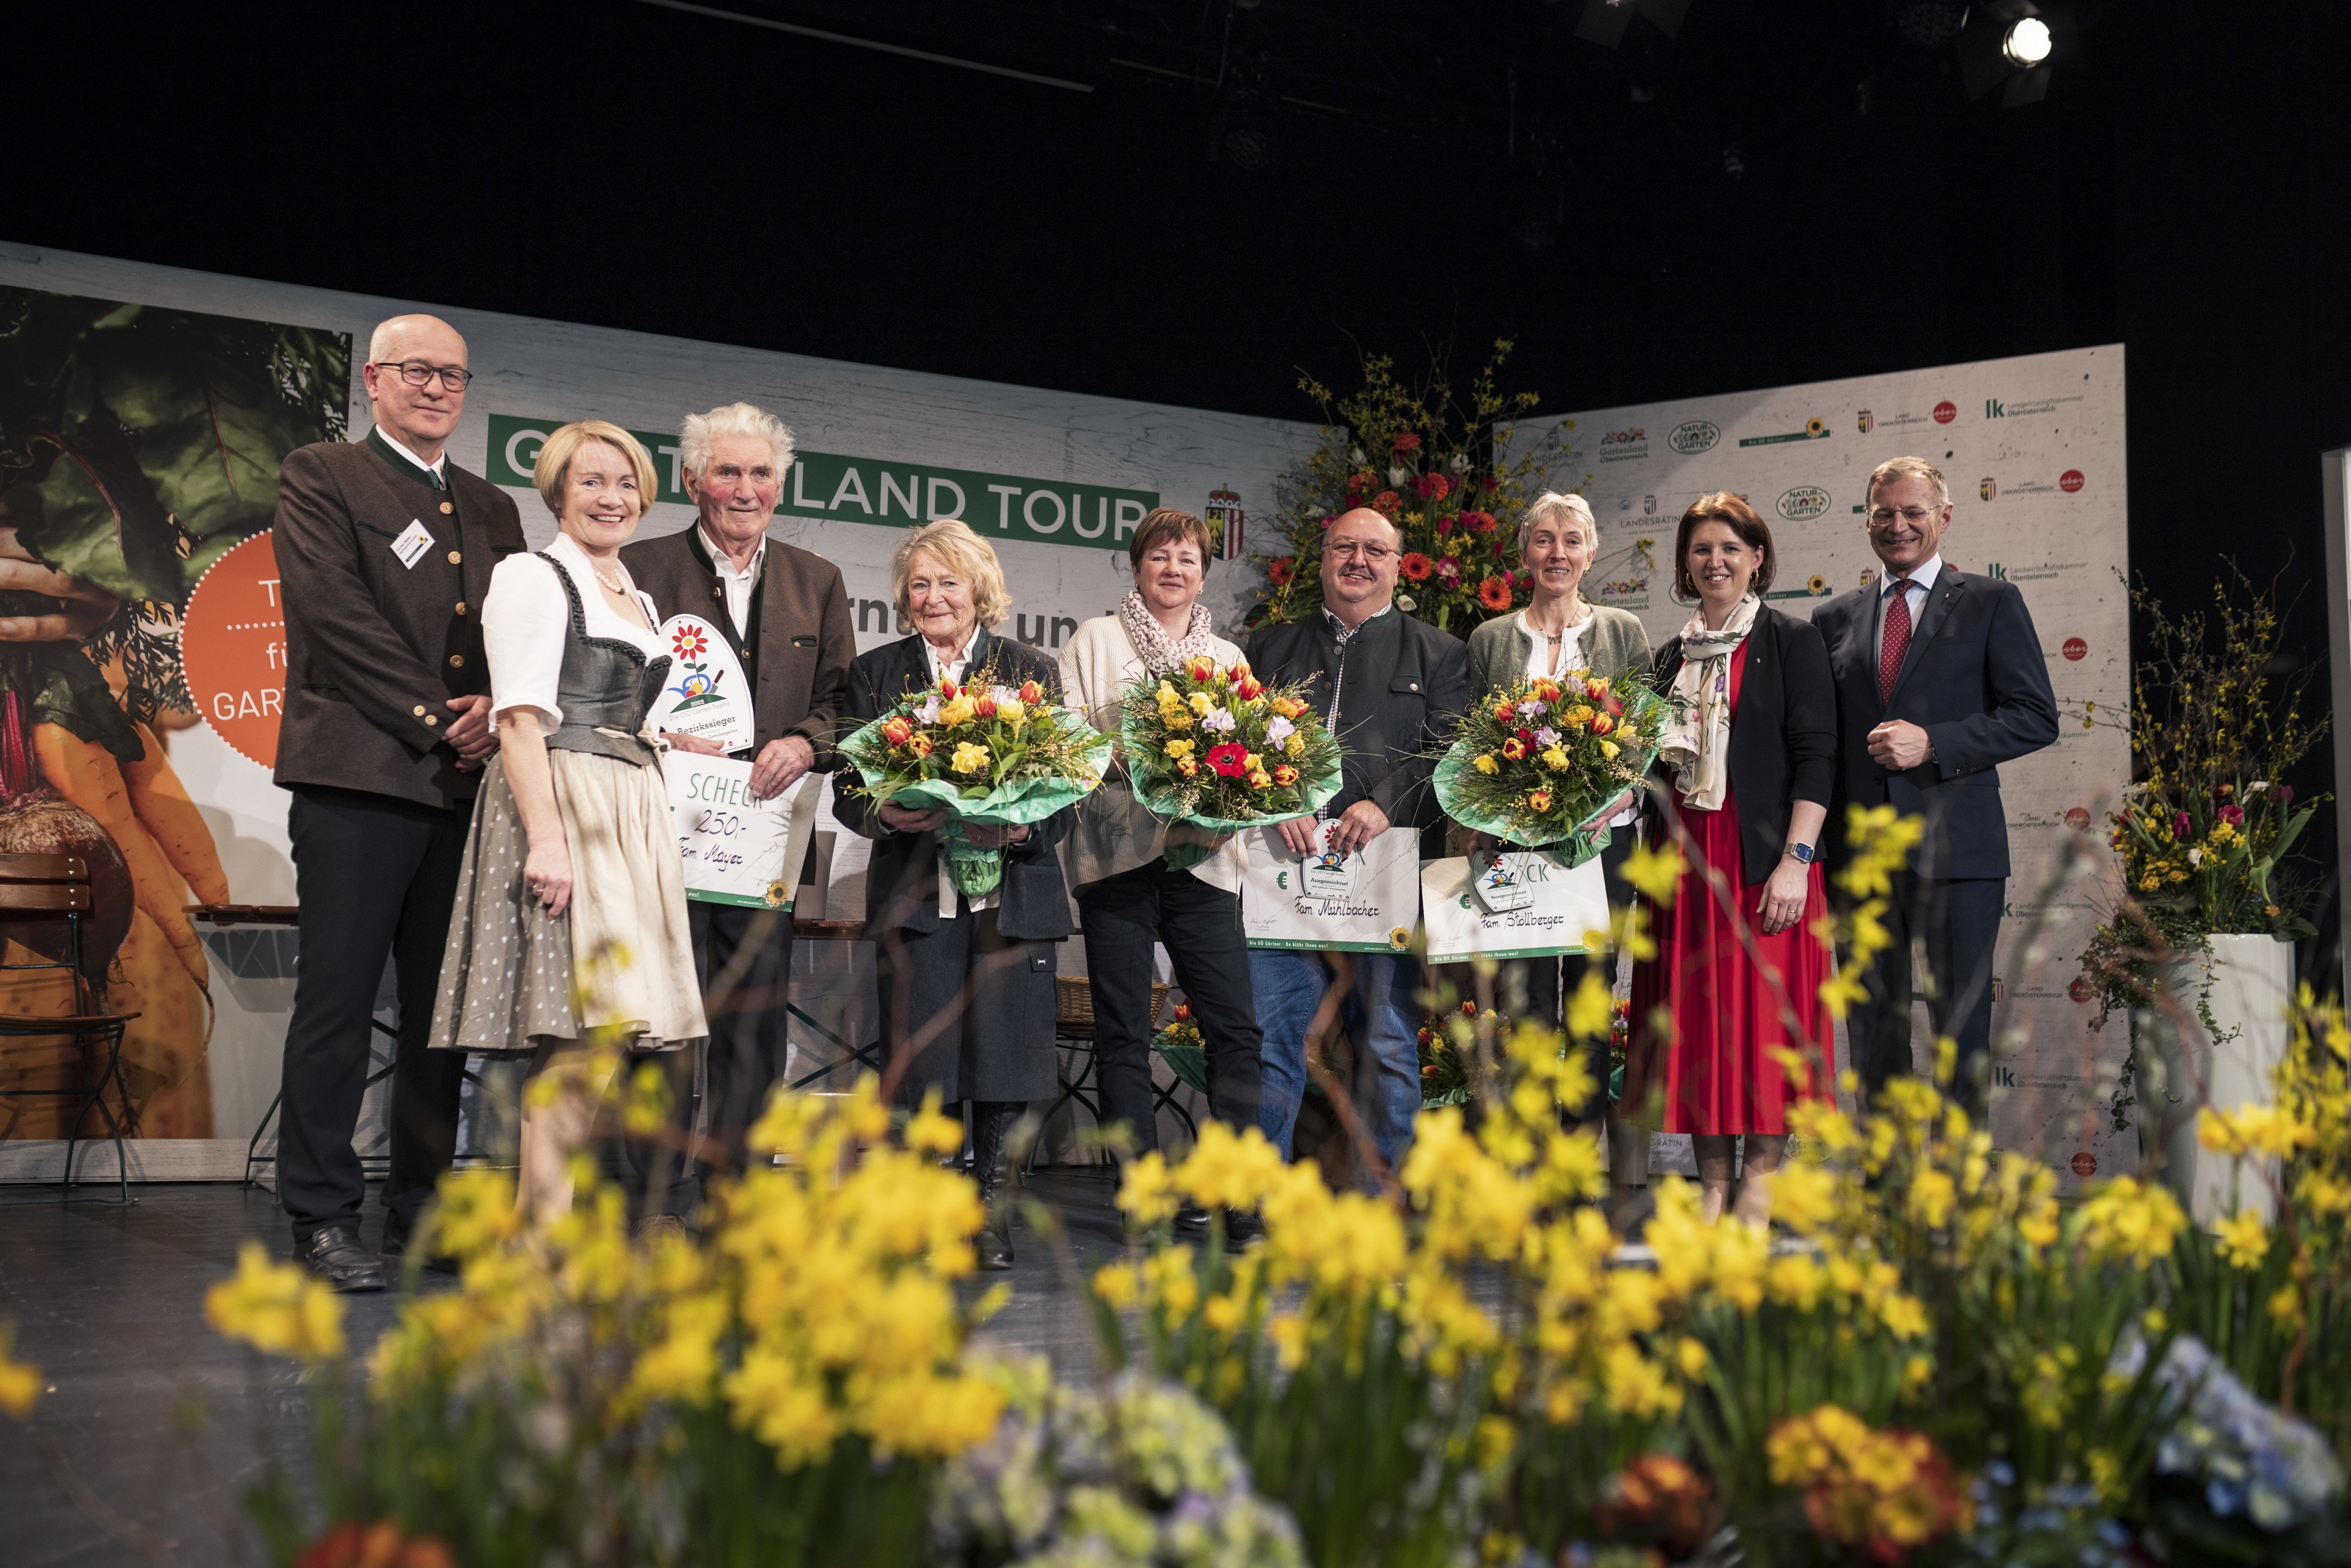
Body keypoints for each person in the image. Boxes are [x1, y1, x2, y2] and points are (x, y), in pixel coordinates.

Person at [271, 314, 525, 1291]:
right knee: (336, 1003)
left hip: (463, 787)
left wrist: (497, 704)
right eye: (417, 370)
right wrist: (434, 714)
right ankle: (323, 1215)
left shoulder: (492, 502)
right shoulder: (323, 472)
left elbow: (517, 627)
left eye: (452, 375)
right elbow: (333, 614)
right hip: (359, 775)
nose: (435, 388)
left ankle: (421, 1209)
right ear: (374, 378)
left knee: (440, 1014)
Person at [426, 421, 706, 1222]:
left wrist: (663, 737)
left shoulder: (639, 593)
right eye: (590, 482)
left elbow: (621, 707)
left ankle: (543, 1228)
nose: (610, 498)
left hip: (631, 805)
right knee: (583, 1031)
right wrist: (548, 839)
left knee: (609, 1032)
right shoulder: (532, 575)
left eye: (623, 483)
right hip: (568, 801)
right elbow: (519, 717)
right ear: (557, 491)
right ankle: (539, 1234)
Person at [622, 403, 854, 1218]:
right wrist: (653, 729)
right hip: (660, 832)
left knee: (753, 1023)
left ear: (780, 484)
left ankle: (738, 1192)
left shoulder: (816, 580)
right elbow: (609, 686)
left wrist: (803, 740)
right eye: (727, 471)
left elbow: (842, 704)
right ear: (692, 480)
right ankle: (645, 1188)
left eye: (761, 473)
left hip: (764, 842)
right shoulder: (638, 565)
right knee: (656, 1015)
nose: (745, 489)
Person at [833, 518, 1072, 1270]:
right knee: (922, 1057)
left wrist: (1018, 831)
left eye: (949, 581)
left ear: (979, 590)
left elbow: (1064, 789)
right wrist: (887, 811)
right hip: (916, 889)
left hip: (1013, 894)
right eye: (919, 583)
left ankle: (992, 1219)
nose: (933, 596)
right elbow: (848, 788)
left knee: (1004, 1055)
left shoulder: (1030, 667)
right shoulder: (876, 672)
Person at [1812, 456, 2058, 1110]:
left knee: (1960, 1038)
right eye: (1884, 513)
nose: (1899, 524)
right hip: (1859, 859)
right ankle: (1890, 1201)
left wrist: (1936, 743)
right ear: (1867, 522)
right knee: (1873, 1037)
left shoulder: (1990, 601)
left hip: (1959, 855)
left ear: (1944, 516)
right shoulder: (1831, 618)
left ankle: (1957, 1205)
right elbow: (1818, 743)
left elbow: (2036, 717)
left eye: (1913, 511)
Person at [1622, 493, 1835, 1228]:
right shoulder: (1664, 658)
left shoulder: (1791, 641)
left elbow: (1818, 758)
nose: (1716, 561)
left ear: (1758, 559)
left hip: (1761, 862)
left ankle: (1762, 1179)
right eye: (1702, 549)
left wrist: (1796, 861)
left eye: (1730, 549)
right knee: (1702, 1024)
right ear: (1687, 564)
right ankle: (1713, 1180)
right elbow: (1643, 775)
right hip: (1684, 867)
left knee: (1766, 1028)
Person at [1244, 506, 1472, 1178]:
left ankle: (1380, 1198)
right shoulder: (1266, 648)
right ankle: (1256, 1198)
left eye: (1375, 549)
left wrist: (1387, 800)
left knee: (1390, 1041)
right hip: (1281, 866)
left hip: (1390, 872)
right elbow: (1236, 743)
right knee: (1271, 1039)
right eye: (1345, 546)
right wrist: (1277, 797)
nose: (1358, 560)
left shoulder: (1440, 652)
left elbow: (1452, 752)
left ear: (1398, 566)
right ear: (1322, 559)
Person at [1058, 507, 1262, 1209]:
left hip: (1203, 860)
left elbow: (1258, 763)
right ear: (1136, 564)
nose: (1173, 569)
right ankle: (1140, 1191)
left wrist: (1226, 810)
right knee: (1122, 1029)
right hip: (1118, 855)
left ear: (1205, 572)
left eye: (1187, 558)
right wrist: (1140, 756)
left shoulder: (1229, 658)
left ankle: (1236, 1192)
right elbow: (1069, 747)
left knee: (1234, 1027)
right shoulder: (1096, 639)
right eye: (1159, 556)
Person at [1462, 490, 1652, 1027]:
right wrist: (1473, 822)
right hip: (1514, 840)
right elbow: (1473, 742)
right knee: (1526, 999)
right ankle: (1532, 1113)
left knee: (1593, 996)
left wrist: (1618, 796)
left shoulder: (1622, 630)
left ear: (1589, 555)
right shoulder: (1488, 639)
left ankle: (1584, 1116)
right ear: (1524, 555)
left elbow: (1643, 738)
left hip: (1602, 840)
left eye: (1571, 541)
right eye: (1543, 540)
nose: (1557, 553)